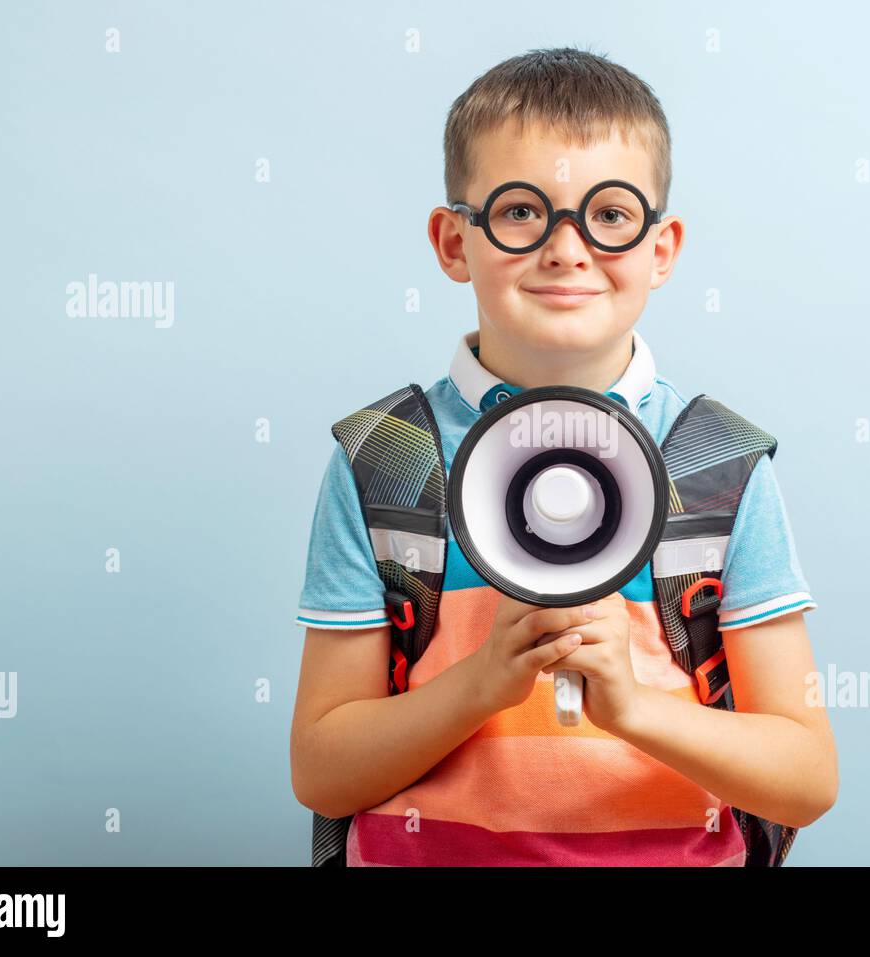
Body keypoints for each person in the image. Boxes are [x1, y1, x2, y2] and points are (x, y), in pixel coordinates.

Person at [289, 47, 838, 866]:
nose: (567, 249)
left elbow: (805, 776)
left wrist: (636, 707)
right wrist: (477, 687)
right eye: (520, 212)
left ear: (662, 247)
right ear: (451, 241)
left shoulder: (719, 462)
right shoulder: (388, 458)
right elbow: (324, 771)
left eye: (611, 215)